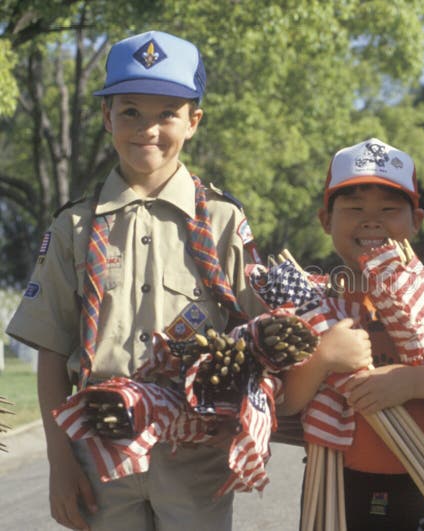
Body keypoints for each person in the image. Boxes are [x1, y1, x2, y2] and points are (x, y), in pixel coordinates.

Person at [6, 30, 265, 531]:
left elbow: (257, 336)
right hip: (99, 446)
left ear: (193, 122)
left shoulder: (221, 223)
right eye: (130, 112)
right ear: (107, 118)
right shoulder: (75, 228)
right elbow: (53, 350)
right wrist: (60, 465)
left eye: (167, 113)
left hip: (194, 451)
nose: (148, 129)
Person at [278, 137, 424, 530]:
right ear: (325, 220)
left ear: (415, 221)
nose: (372, 220)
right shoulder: (311, 302)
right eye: (354, 209)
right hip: (339, 484)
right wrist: (323, 358)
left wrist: (411, 381)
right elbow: (285, 402)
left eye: (389, 209)